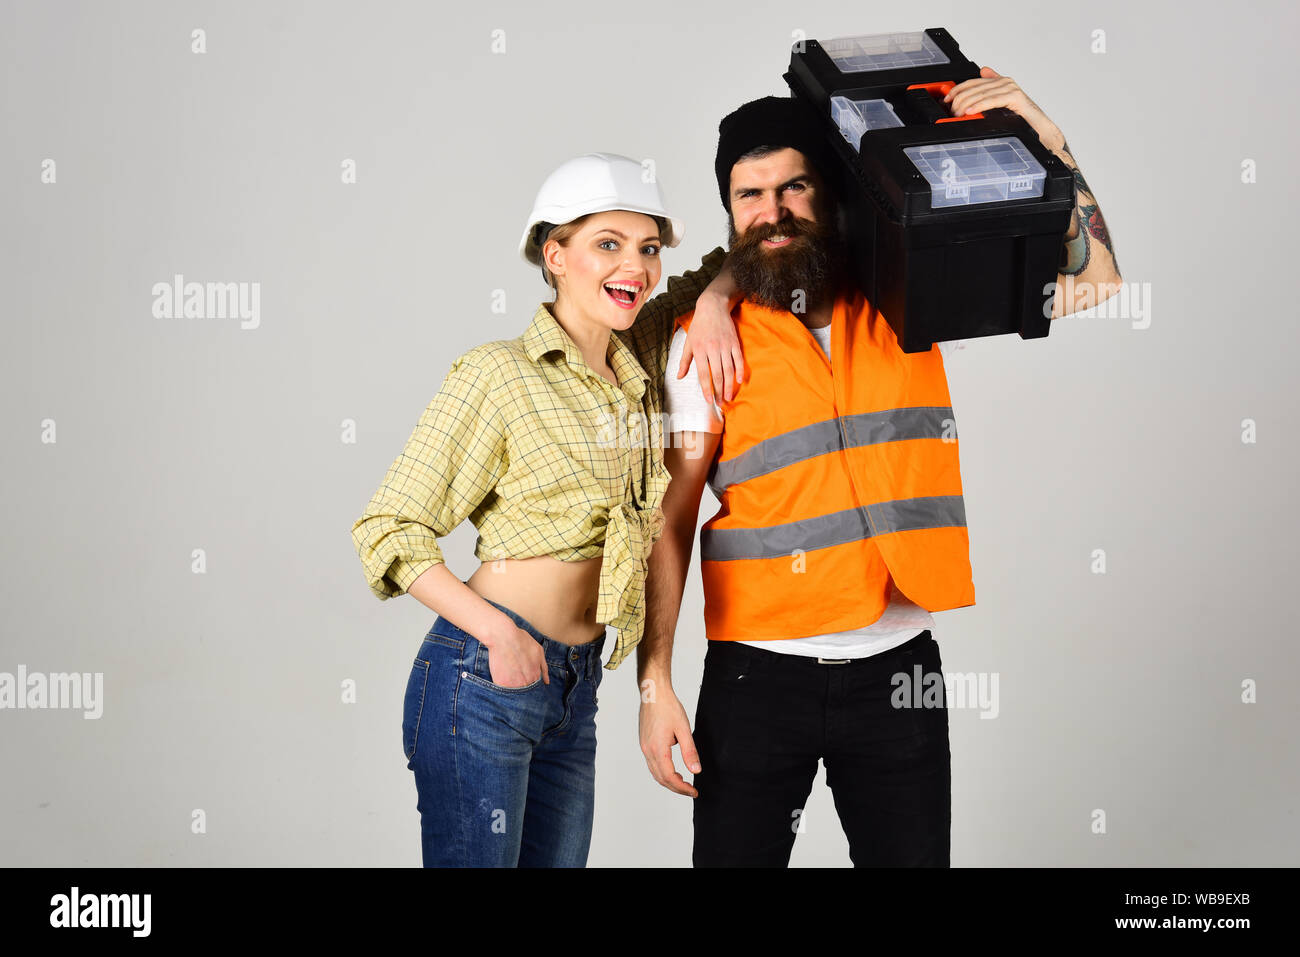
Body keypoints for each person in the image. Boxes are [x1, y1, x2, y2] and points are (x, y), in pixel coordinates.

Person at [638, 71, 1122, 866]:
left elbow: (1097, 281)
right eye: (749, 195)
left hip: (900, 675)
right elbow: (671, 519)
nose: (774, 212)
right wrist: (654, 684)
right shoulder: (705, 343)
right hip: (756, 679)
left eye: (793, 185)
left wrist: (1047, 136)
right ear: (728, 213)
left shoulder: (912, 301)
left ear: (829, 191)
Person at [350, 153, 735, 867]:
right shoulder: (498, 373)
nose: (637, 265)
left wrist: (711, 301)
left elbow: (729, 261)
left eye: (648, 247)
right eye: (607, 244)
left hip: (574, 687)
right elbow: (388, 526)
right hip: (482, 678)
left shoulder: (639, 355)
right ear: (554, 255)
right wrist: (497, 633)